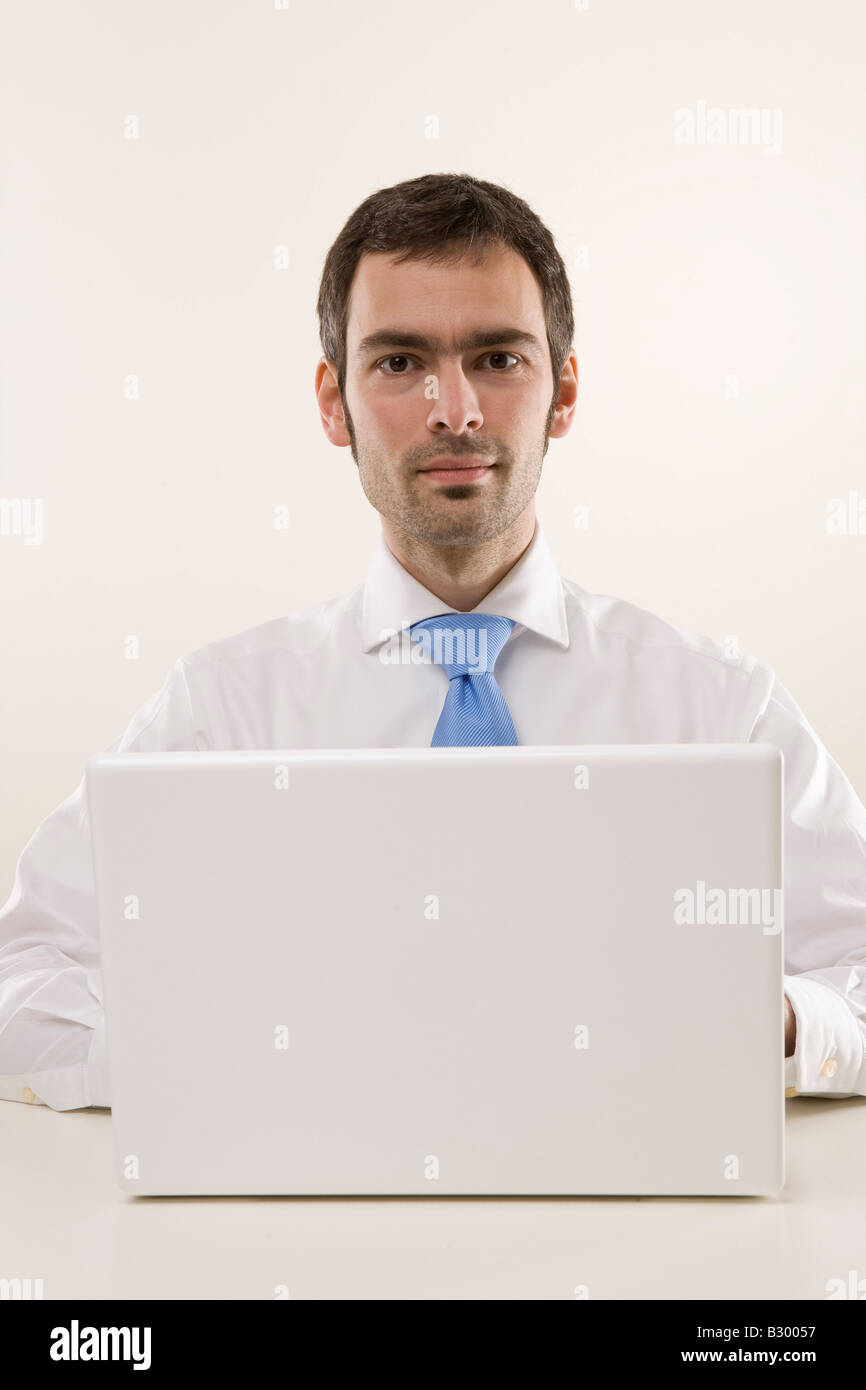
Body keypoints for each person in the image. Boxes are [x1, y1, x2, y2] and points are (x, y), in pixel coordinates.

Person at [1, 172, 864, 1111]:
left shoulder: (720, 709)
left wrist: (766, 1023)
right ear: (334, 403)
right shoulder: (224, 713)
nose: (454, 410)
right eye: (400, 362)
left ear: (563, 391)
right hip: (311, 1236)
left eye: (497, 359)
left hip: (641, 1230)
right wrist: (240, 1057)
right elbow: (22, 978)